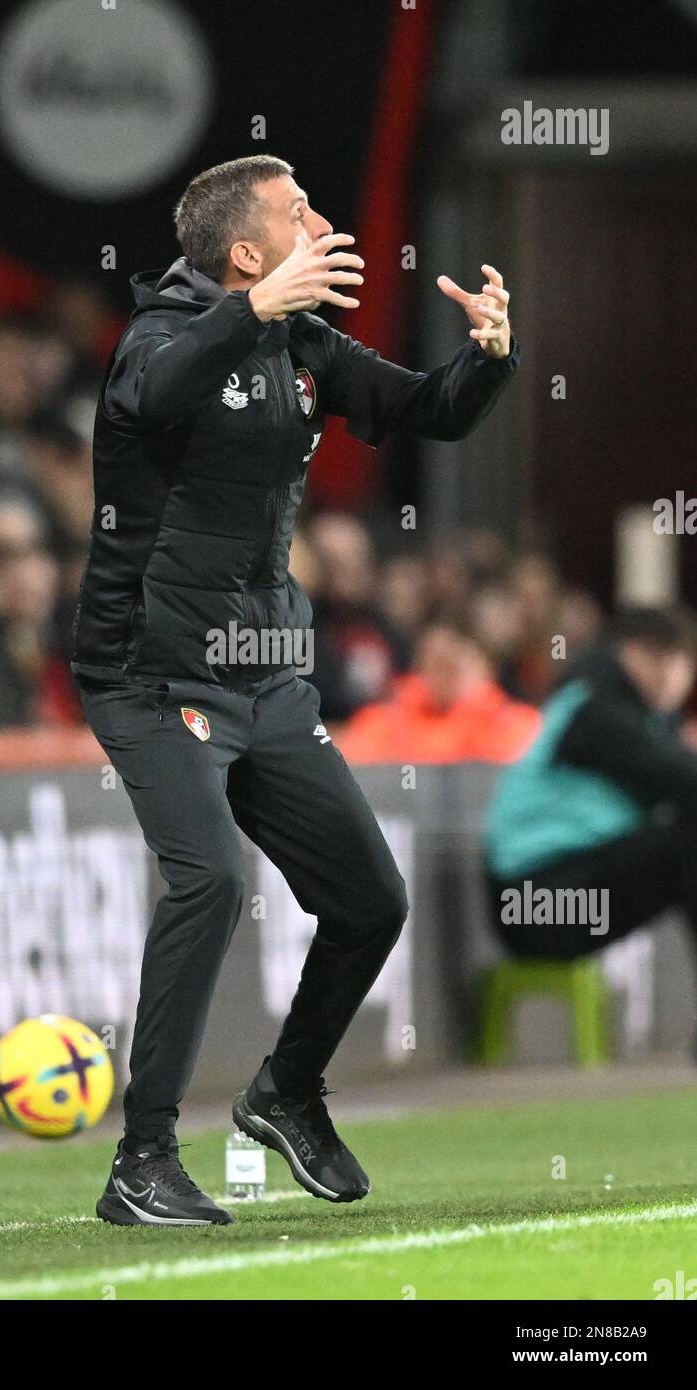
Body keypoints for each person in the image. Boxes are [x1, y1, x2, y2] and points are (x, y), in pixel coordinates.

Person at [72, 154, 520, 1226]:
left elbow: (426, 412)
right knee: (209, 882)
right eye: (298, 212)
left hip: (266, 672)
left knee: (371, 899)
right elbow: (153, 391)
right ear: (245, 252)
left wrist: (488, 357)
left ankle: (285, 1092)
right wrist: (244, 315)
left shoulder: (302, 342)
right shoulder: (161, 333)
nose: (322, 222)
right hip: (151, 667)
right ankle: (141, 1159)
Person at [484, 608, 697, 982]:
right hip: (535, 908)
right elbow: (684, 778)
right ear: (625, 652)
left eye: (681, 660)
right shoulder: (597, 713)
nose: (671, 674)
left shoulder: (612, 709)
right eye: (658, 656)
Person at [338, 620, 539, 764]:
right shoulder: (385, 720)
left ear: (488, 666)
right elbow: (354, 768)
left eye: (453, 665)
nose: (444, 677)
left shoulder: (516, 724)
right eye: (436, 663)